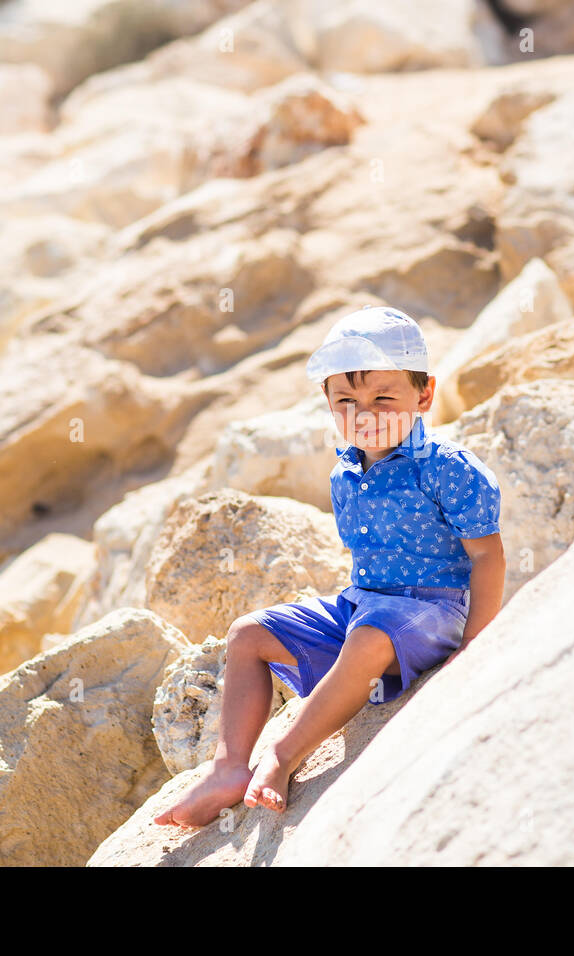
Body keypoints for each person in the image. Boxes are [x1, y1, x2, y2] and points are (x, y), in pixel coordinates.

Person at [153, 305, 506, 827]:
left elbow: (487, 555)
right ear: (328, 403)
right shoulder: (345, 476)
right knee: (248, 633)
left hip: (433, 611)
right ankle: (227, 767)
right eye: (346, 400)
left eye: (384, 397)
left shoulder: (446, 469)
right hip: (362, 607)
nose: (364, 413)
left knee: (367, 637)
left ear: (424, 395)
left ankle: (281, 756)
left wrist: (476, 645)